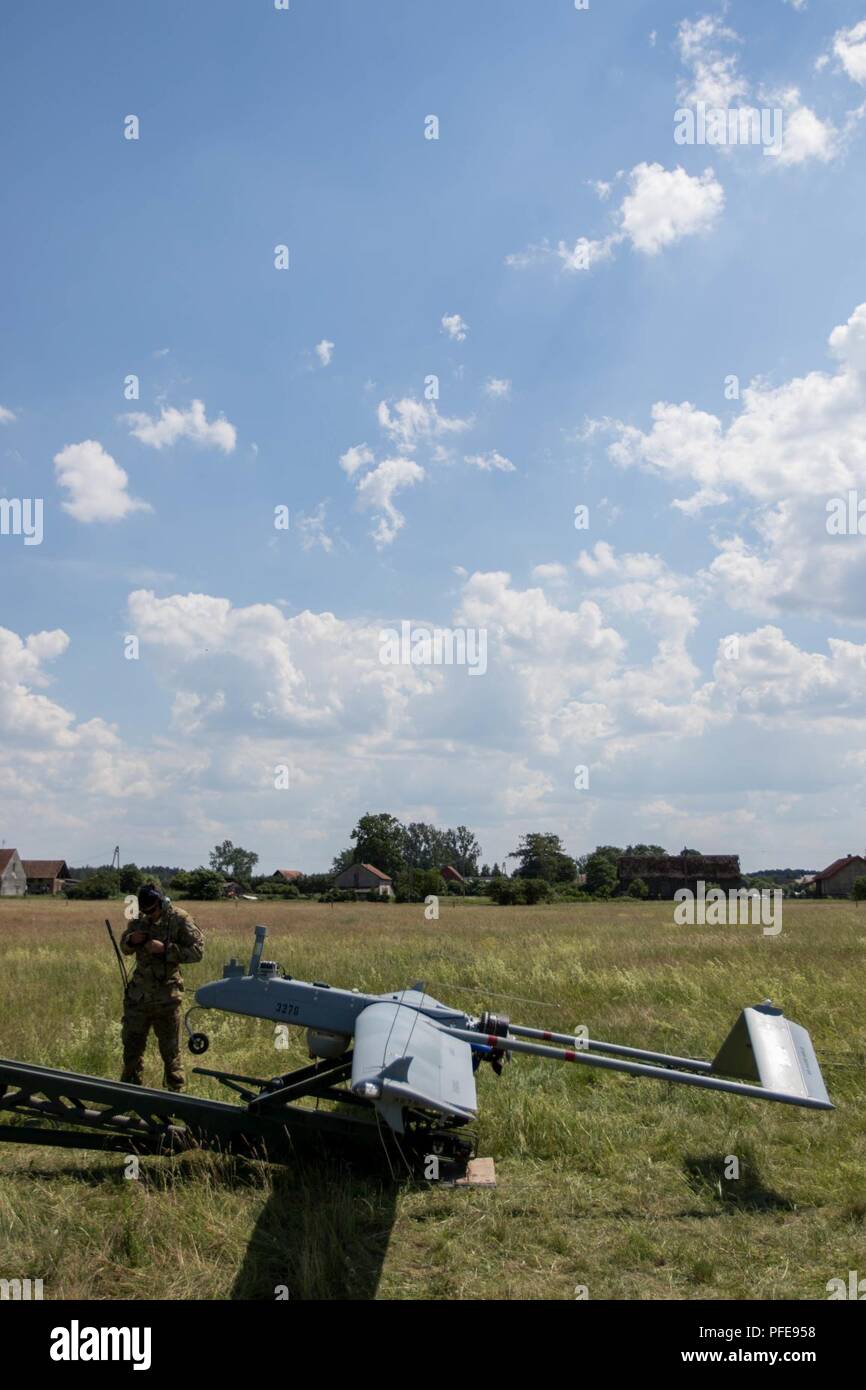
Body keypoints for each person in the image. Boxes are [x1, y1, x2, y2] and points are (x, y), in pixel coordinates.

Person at [119, 883, 204, 1092]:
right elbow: (124, 946)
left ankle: (177, 1102)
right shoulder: (139, 920)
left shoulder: (180, 919)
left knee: (171, 1054)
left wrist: (166, 949)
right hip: (138, 998)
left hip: (167, 999)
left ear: (163, 902)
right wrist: (131, 940)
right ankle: (129, 1097)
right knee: (131, 1051)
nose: (149, 914)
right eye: (145, 910)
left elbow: (197, 952)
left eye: (153, 910)